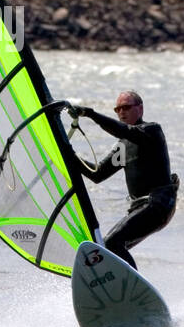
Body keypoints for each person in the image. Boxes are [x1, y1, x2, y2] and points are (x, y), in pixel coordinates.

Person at [66, 90, 178, 270]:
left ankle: (133, 289)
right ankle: (120, 287)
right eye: (117, 109)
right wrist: (69, 154)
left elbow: (123, 130)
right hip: (140, 207)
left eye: (126, 107)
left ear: (140, 109)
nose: (121, 113)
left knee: (112, 244)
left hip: (158, 202)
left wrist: (90, 114)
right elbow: (97, 174)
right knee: (107, 248)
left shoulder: (151, 131)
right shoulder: (123, 147)